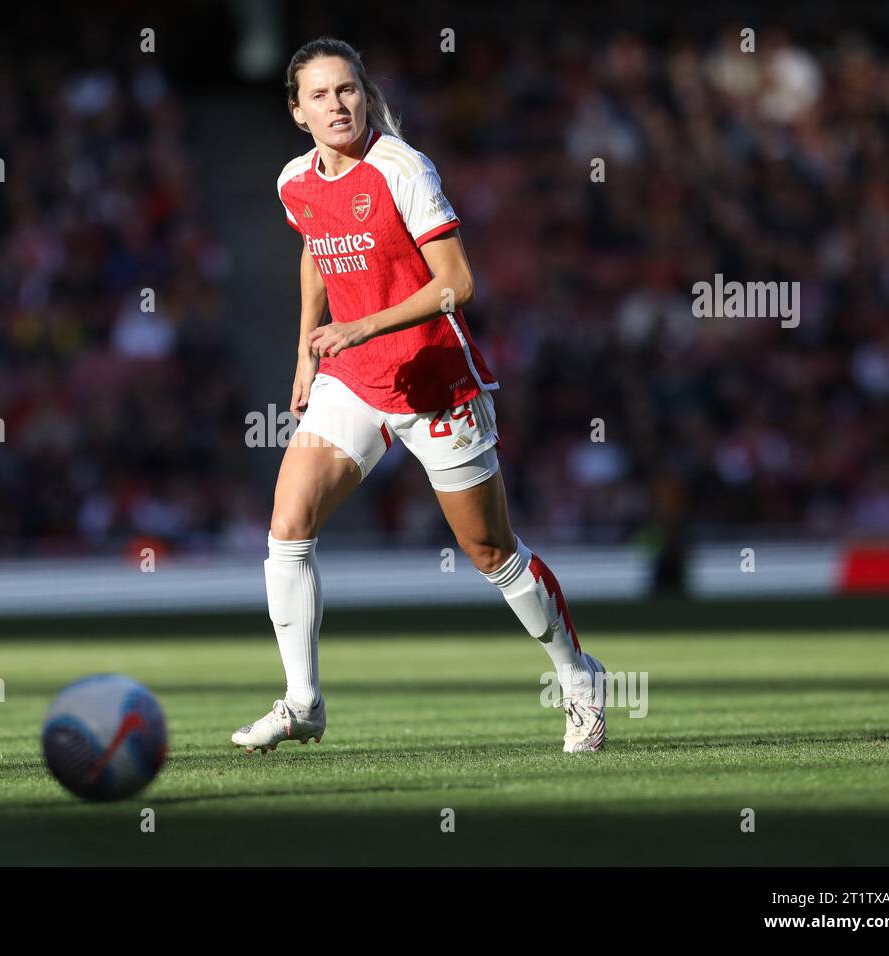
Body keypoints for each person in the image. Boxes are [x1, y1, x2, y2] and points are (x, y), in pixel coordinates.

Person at [232, 37, 606, 755]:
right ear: (296, 111)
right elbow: (315, 246)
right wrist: (306, 352)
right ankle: (303, 702)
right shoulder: (293, 182)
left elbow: (457, 285)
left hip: (434, 382)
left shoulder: (403, 168)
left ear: (365, 94)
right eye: (320, 95)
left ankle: (580, 678)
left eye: (348, 89)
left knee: (490, 550)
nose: (338, 105)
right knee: (287, 525)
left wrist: (360, 324)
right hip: (352, 378)